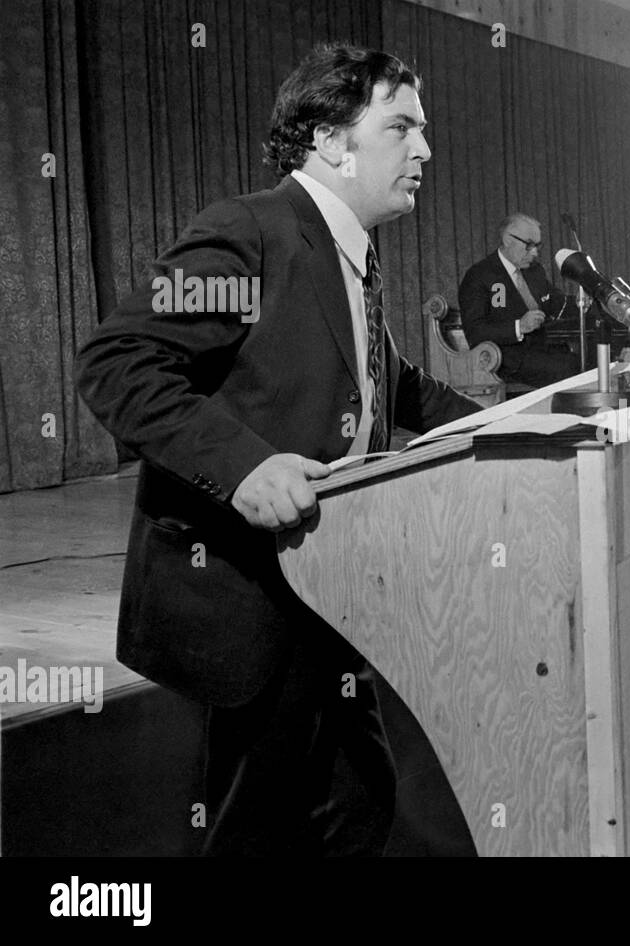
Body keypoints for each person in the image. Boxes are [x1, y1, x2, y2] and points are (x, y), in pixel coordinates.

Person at [75, 44, 483, 855]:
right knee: (259, 828)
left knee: (358, 806)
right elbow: (118, 360)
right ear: (332, 140)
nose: (425, 150)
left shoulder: (352, 253)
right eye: (401, 127)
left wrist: (516, 425)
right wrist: (243, 467)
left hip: (328, 599)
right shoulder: (248, 235)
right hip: (249, 607)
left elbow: (390, 386)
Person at [458, 213, 580, 388]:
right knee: (569, 368)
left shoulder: (535, 271)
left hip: (543, 352)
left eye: (538, 246)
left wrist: (581, 301)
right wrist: (519, 326)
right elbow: (475, 332)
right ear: (508, 239)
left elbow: (557, 303)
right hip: (506, 359)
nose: (535, 253)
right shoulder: (479, 275)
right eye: (529, 245)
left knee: (590, 361)